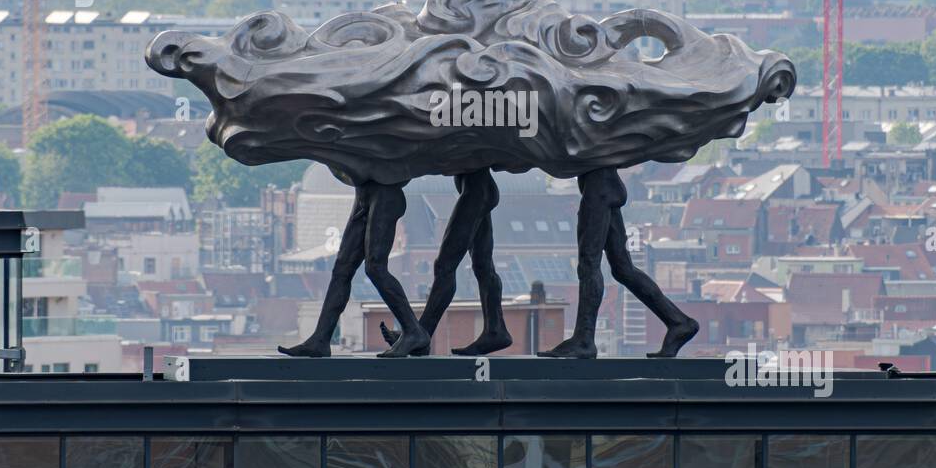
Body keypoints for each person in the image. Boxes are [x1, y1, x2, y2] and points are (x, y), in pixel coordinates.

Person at [539, 167, 699, 359]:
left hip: (599, 190)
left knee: (589, 263)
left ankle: (584, 340)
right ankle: (678, 322)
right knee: (622, 268)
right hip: (603, 186)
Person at [278, 172, 428, 358]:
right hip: (363, 195)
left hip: (385, 195)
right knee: (341, 269)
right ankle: (320, 340)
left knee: (375, 268)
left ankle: (413, 331)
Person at [380, 168, 512, 356]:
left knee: (445, 266)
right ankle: (495, 329)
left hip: (475, 194)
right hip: (479, 190)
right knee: (482, 264)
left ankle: (421, 335)